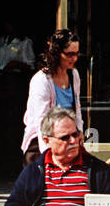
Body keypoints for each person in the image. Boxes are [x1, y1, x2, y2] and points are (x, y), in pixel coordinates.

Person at [20, 29, 83, 167]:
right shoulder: (42, 80)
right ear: (57, 53)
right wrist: (48, 157)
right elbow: (41, 121)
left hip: (68, 138)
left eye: (77, 54)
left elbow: (77, 109)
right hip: (44, 141)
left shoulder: (74, 75)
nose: (75, 58)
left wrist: (79, 134)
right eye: (69, 54)